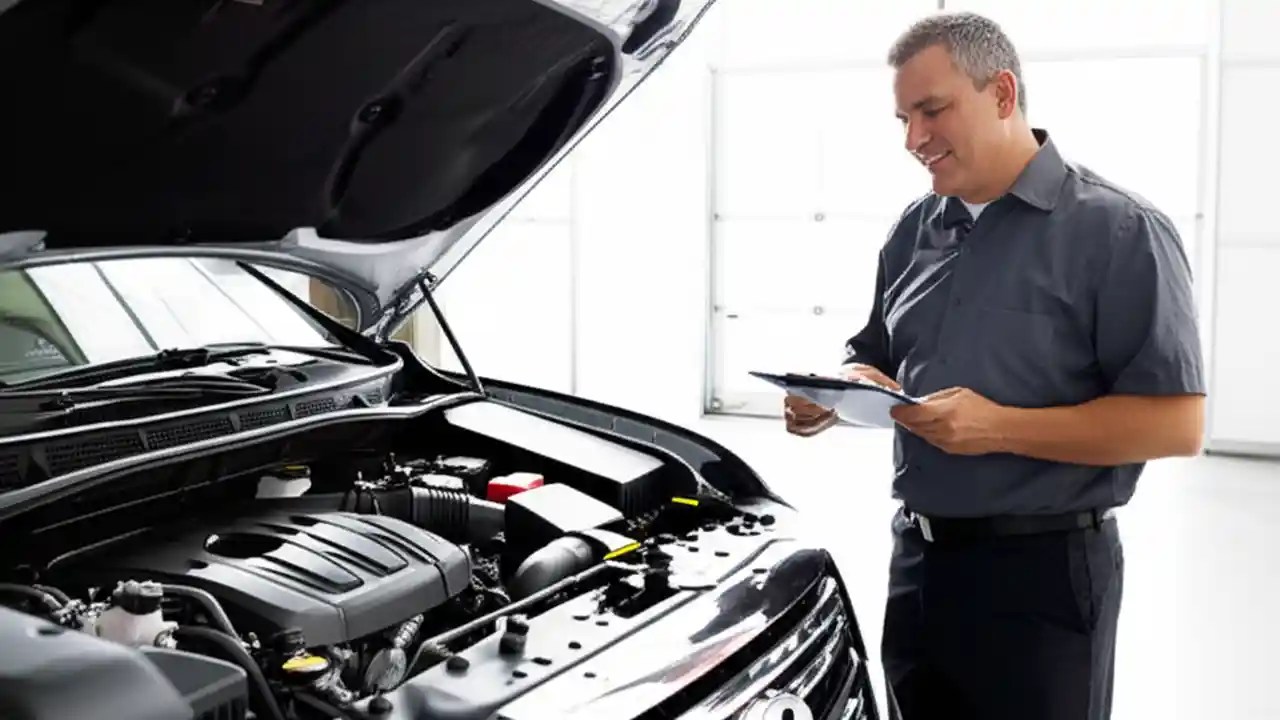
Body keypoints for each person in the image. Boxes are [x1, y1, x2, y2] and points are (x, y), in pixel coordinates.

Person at [783, 11, 1206, 720]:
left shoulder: (1121, 230)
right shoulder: (915, 228)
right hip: (916, 564)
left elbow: (1176, 424)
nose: (913, 139)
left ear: (1003, 94)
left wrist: (999, 428)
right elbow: (873, 353)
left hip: (1043, 581)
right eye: (903, 118)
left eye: (932, 111)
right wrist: (842, 389)